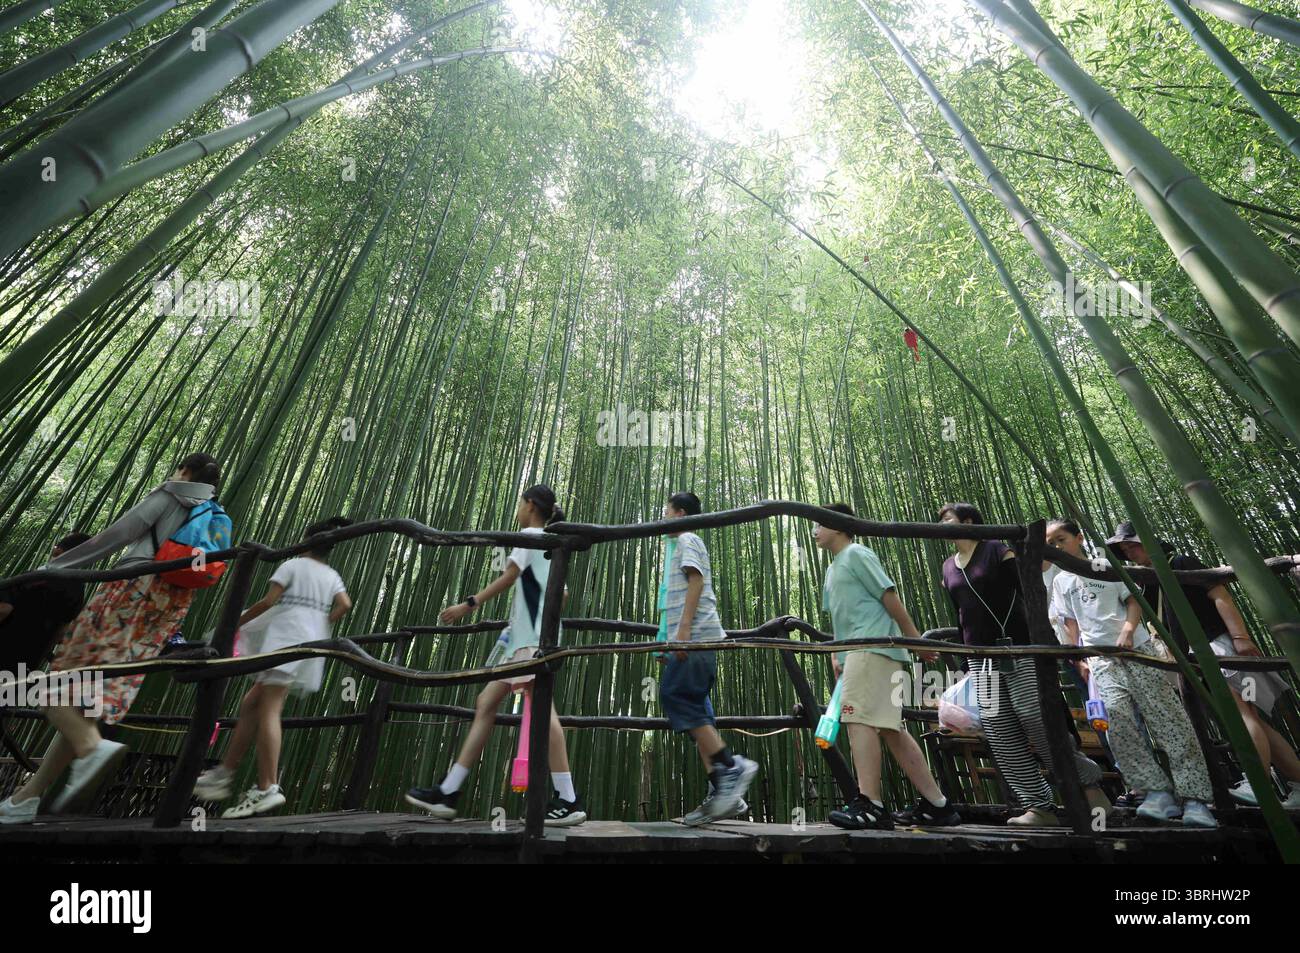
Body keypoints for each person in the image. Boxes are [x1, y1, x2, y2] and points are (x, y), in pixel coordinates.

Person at [0, 453, 221, 825]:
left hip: (131, 590)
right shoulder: (214, 512)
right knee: (90, 698)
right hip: (168, 606)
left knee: (58, 680)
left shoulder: (170, 494)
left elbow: (117, 535)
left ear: (184, 470)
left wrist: (57, 566)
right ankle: (28, 797)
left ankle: (91, 746)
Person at [405, 484, 586, 826]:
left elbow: (509, 577)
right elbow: (562, 595)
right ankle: (449, 791)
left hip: (529, 641)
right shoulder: (551, 544)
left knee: (543, 710)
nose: (518, 509)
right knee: (486, 703)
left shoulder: (530, 535)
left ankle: (568, 797)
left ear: (530, 505)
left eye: (520, 503)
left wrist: (468, 604)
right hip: (523, 639)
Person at [1109, 521, 1300, 811]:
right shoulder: (1145, 579)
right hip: (1191, 655)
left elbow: (1220, 595)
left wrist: (1241, 637)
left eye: (1133, 544)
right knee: (1253, 720)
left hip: (1217, 646)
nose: (1129, 551)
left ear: (1149, 539)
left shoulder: (1182, 561)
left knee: (1241, 713)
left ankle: (1257, 783)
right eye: (1125, 548)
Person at [938, 503, 1108, 827]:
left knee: (1035, 716)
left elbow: (1029, 591)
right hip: (980, 658)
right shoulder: (947, 567)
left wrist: (1042, 640)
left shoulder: (996, 550)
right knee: (1000, 731)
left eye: (947, 519)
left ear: (969, 521)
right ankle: (1038, 806)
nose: (941, 525)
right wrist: (965, 658)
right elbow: (960, 616)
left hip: (1017, 646)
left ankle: (1088, 783)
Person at [1049, 519, 1218, 828]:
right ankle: (1157, 793)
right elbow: (1069, 622)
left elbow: (1132, 601)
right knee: (1118, 727)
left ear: (1078, 537)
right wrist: (1077, 657)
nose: (1056, 547)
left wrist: (1128, 630)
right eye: (1050, 544)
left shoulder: (1104, 564)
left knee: (1167, 720)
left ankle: (1195, 798)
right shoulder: (1061, 581)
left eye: (1061, 539)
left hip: (1137, 650)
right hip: (1100, 660)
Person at [192, 517, 354, 818]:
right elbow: (345, 604)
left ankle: (268, 787)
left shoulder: (291, 565)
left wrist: (234, 623)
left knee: (269, 708)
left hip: (285, 638)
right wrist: (319, 623)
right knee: (251, 703)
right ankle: (225, 772)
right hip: (310, 641)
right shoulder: (331, 574)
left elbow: (269, 601)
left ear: (305, 540)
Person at [814, 503, 960, 829]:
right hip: (859, 650)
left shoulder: (856, 554)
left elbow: (888, 596)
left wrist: (913, 639)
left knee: (857, 720)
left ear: (839, 525)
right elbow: (841, 615)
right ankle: (938, 805)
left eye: (820, 523)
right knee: (890, 728)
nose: (815, 530)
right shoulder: (834, 566)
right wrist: (836, 654)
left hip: (873, 647)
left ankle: (871, 804)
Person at [658, 491, 758, 826]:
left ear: (681, 513)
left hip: (697, 635)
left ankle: (731, 769)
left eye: (666, 511)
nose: (663, 517)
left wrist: (684, 631)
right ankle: (724, 794)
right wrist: (669, 642)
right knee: (697, 712)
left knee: (676, 697)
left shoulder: (688, 538)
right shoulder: (682, 543)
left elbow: (696, 580)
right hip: (690, 638)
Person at [0, 532, 92, 681]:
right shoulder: (78, 592)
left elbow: (3, 609)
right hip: (22, 669)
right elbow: (60, 634)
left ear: (57, 551)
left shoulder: (34, 578)